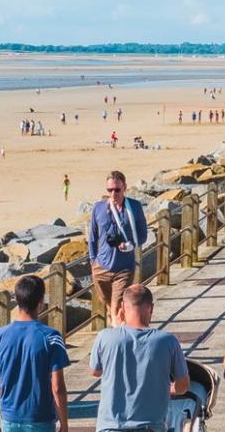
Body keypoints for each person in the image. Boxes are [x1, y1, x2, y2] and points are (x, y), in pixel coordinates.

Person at [89, 285, 189, 432]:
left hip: (111, 426)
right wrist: (169, 388)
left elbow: (95, 371)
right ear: (151, 308)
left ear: (122, 307)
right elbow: (183, 386)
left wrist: (117, 327)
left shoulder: (105, 337)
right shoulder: (168, 341)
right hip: (151, 427)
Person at [0, 275, 71, 432]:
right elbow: (58, 387)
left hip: (10, 419)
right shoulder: (52, 337)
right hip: (41, 418)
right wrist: (64, 425)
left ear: (17, 301)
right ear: (40, 303)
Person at [87, 171, 148, 323]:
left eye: (117, 190)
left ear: (125, 187)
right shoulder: (98, 208)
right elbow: (93, 237)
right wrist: (93, 262)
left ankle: (117, 340)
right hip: (101, 269)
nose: (113, 194)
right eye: (109, 190)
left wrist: (131, 245)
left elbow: (143, 234)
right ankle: (118, 331)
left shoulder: (134, 207)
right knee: (110, 307)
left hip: (124, 269)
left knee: (116, 307)